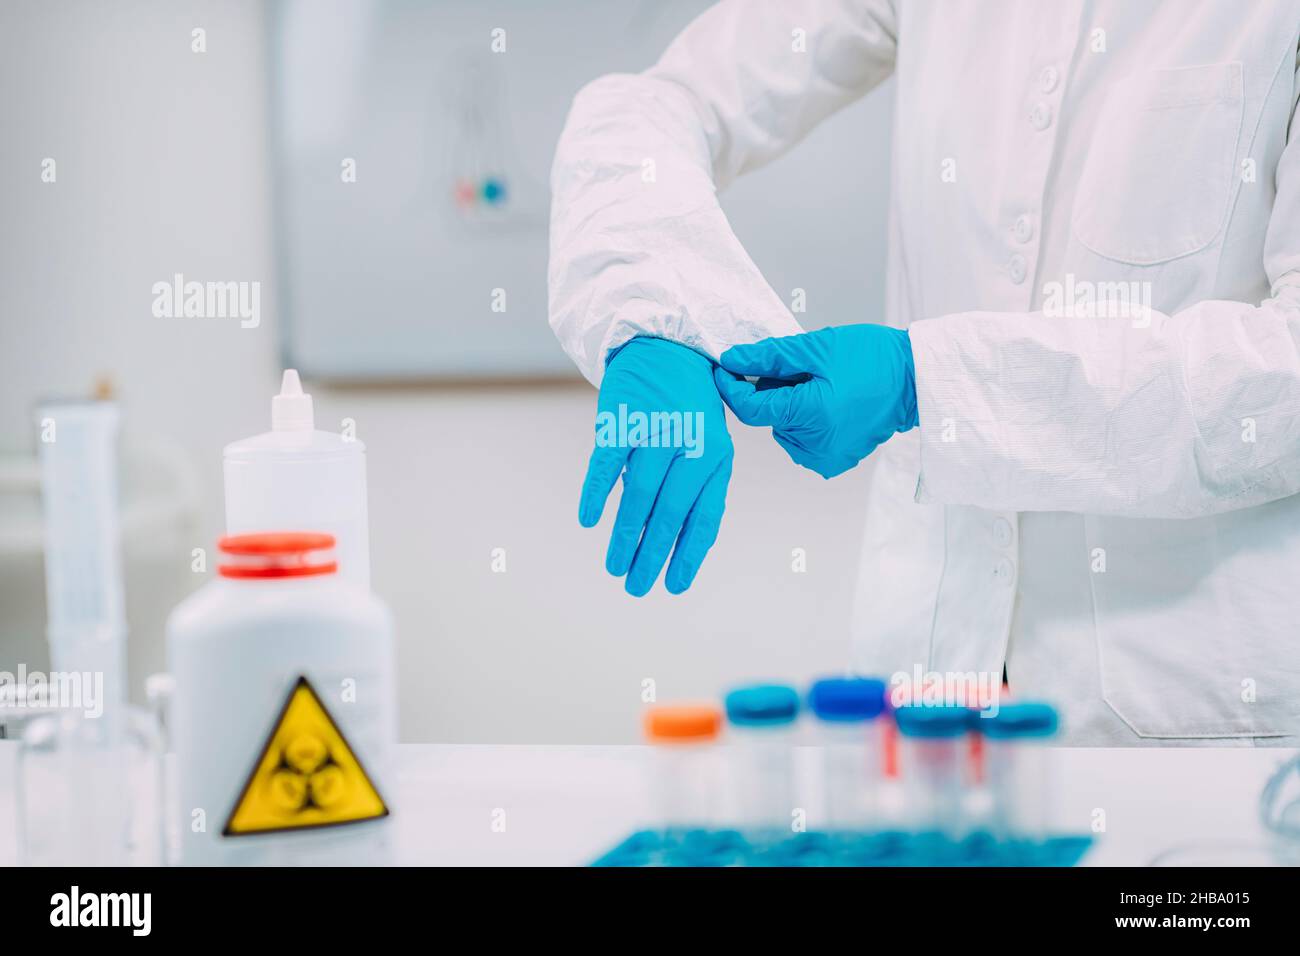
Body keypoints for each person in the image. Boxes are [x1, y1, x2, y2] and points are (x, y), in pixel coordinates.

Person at [547, 0, 1300, 746]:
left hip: (1193, 712)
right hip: (928, 674)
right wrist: (651, 306)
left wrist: (929, 382)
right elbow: (658, 104)